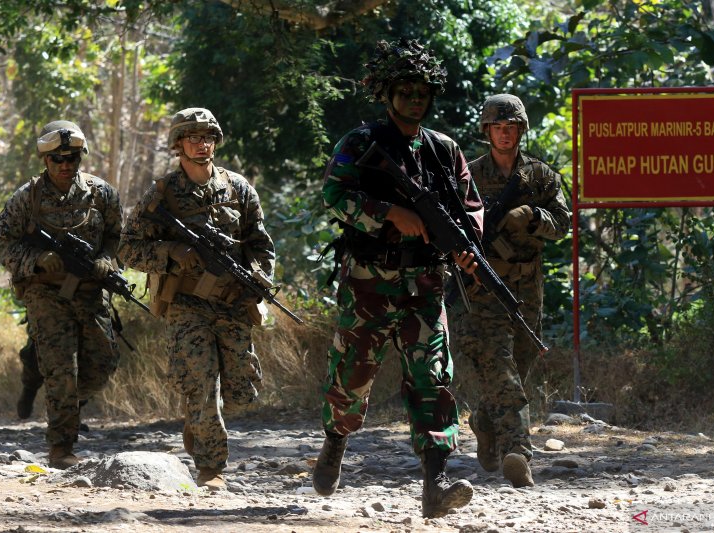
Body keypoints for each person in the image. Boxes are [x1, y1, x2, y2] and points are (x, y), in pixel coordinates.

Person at [313, 38, 482, 519]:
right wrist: (388, 213)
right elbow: (334, 194)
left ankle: (436, 482)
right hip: (370, 284)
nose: (414, 99)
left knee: (433, 379)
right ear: (387, 95)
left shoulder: (444, 150)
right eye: (405, 91)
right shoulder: (361, 143)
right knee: (351, 379)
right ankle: (334, 443)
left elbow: (470, 210)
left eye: (422, 92)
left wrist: (468, 250)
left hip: (426, 286)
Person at [118, 107, 275, 491]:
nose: (202, 144)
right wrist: (171, 253)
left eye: (207, 138)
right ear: (178, 145)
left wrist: (258, 277)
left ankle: (196, 421)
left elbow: (261, 244)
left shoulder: (238, 189)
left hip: (232, 300)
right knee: (202, 385)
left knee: (240, 387)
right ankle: (211, 468)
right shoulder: (162, 195)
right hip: (186, 305)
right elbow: (128, 249)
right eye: (193, 138)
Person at [449, 94, 570, 487]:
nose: (505, 133)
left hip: (526, 287)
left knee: (519, 365)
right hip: (482, 290)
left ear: (521, 129)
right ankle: (518, 451)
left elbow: (564, 223)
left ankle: (485, 420)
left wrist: (533, 216)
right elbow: (448, 227)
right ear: (488, 131)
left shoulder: (540, 176)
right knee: (502, 371)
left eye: (511, 126)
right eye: (498, 127)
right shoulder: (468, 175)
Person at [0, 120, 122, 469]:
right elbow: (2, 242)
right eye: (58, 160)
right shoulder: (27, 197)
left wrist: (107, 260)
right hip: (45, 293)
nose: (66, 166)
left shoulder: (102, 194)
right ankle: (61, 446)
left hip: (90, 290)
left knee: (102, 362)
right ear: (45, 161)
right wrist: (36, 259)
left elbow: (117, 237)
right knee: (63, 368)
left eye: (73, 159)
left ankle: (36, 371)